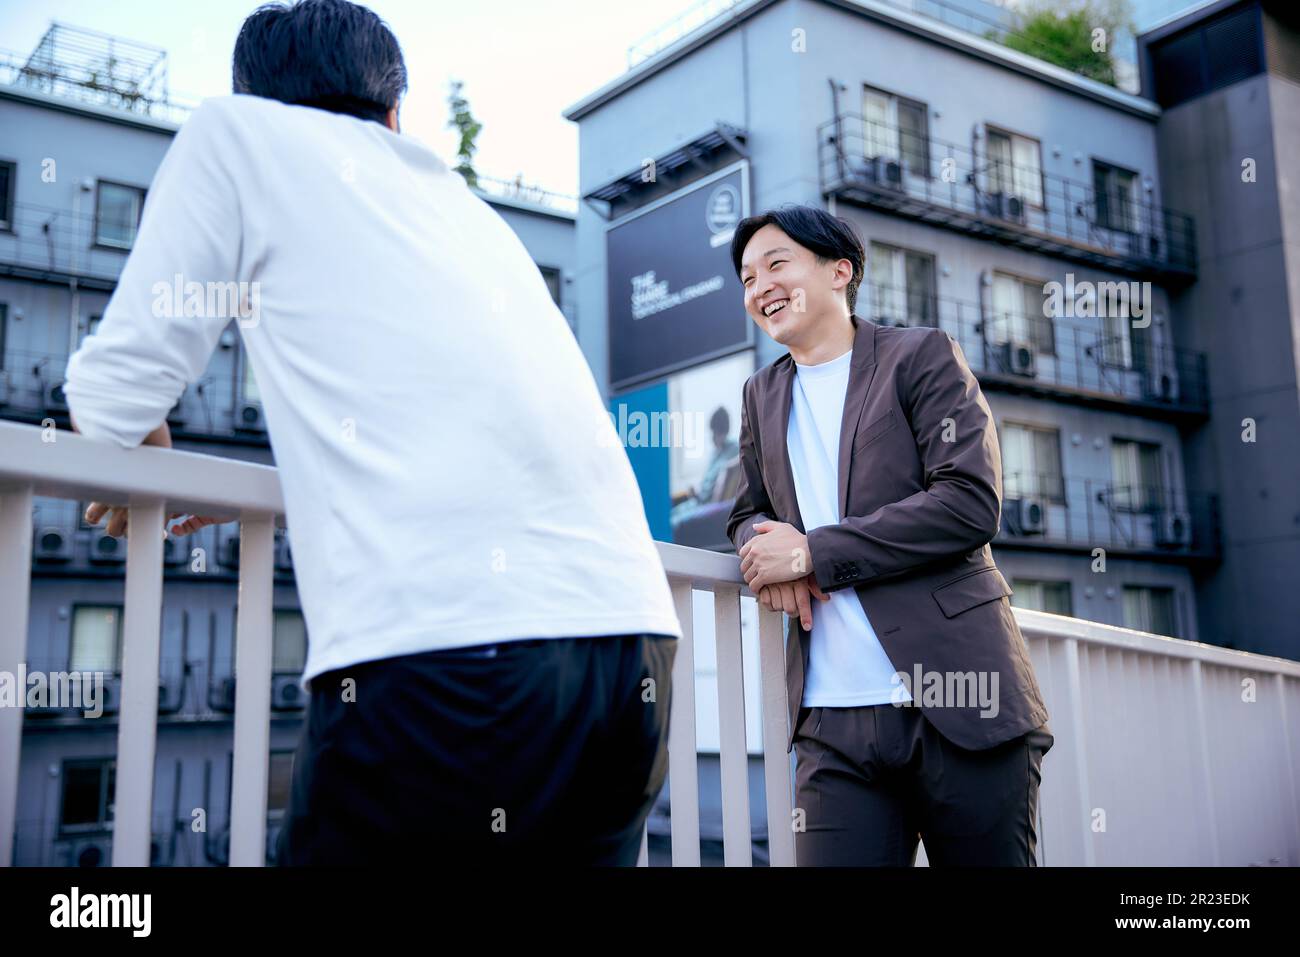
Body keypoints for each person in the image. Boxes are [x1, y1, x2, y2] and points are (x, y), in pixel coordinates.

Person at [63, 0, 681, 866]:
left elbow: (117, 389)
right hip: (635, 654)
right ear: (395, 115)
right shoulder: (465, 212)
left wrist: (143, 448)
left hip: (454, 656)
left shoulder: (238, 136)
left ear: (254, 96)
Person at [725, 205, 1053, 866]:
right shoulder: (761, 393)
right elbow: (745, 514)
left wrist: (815, 552)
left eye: (776, 263)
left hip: (961, 700)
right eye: (747, 276)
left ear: (839, 270)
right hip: (832, 722)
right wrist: (766, 555)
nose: (759, 286)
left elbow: (968, 501)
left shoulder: (919, 356)